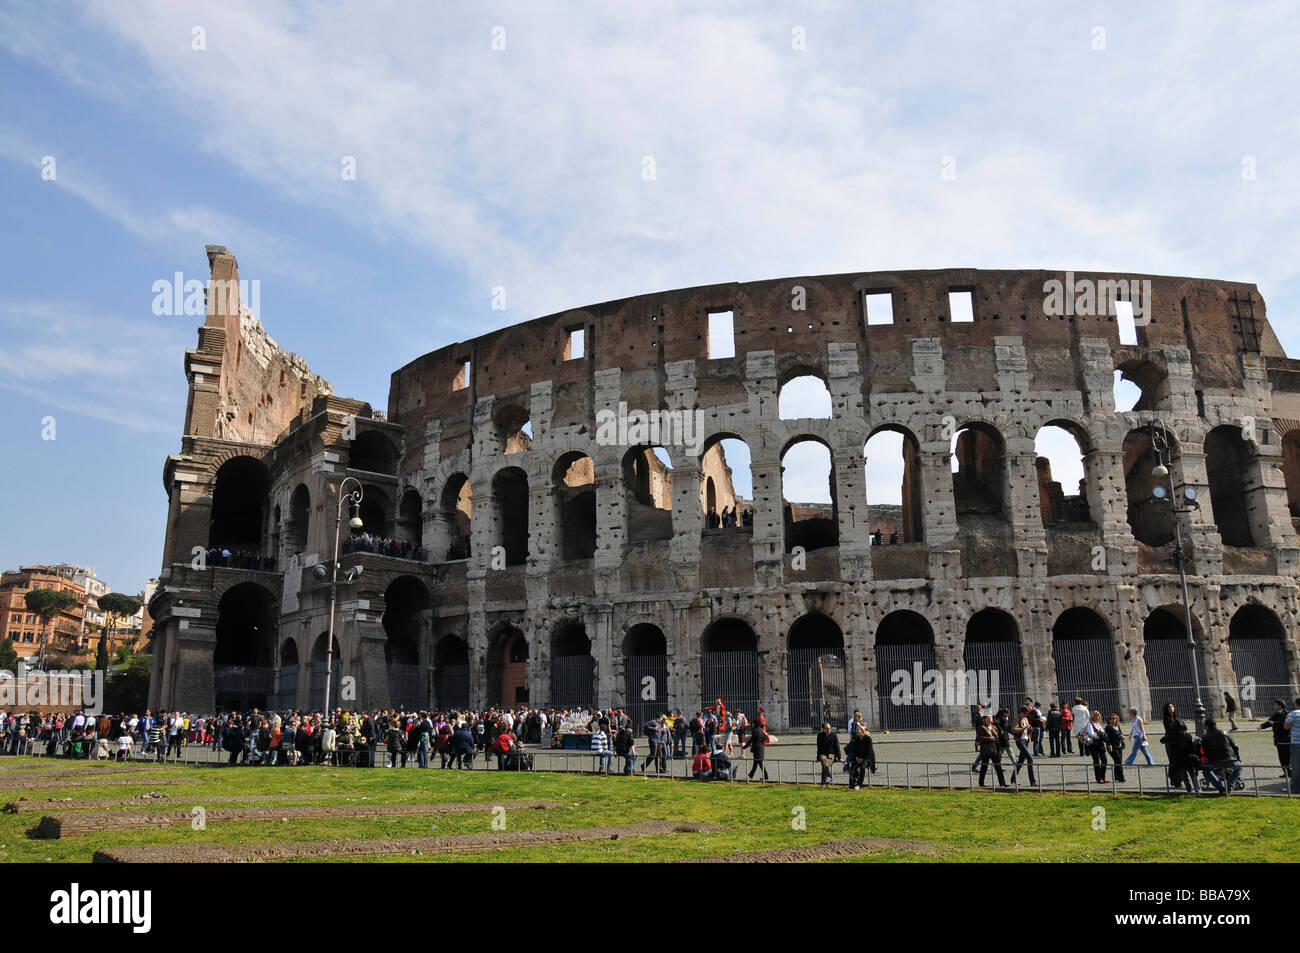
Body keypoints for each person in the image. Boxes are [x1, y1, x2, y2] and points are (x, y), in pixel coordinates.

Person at [1198, 718, 1241, 795]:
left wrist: (1208, 759)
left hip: (1214, 761)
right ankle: (1229, 785)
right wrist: (1238, 759)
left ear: (1207, 726)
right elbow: (1235, 746)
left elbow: (1205, 752)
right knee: (1239, 767)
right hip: (1229, 759)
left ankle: (1219, 787)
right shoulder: (1225, 733)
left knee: (1206, 770)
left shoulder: (1205, 737)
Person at [1258, 698, 1292, 778]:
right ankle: (1286, 772)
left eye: (1276, 705)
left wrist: (1274, 723)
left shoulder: (1286, 714)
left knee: (1287, 756)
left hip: (1285, 738)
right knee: (1281, 757)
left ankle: (1290, 772)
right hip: (1278, 738)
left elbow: (1285, 724)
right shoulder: (1276, 714)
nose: (1275, 706)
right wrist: (1261, 726)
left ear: (1280, 706)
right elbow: (1269, 722)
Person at [975, 714, 1006, 788]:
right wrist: (989, 738)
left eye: (991, 717)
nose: (990, 718)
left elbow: (997, 737)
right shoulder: (982, 727)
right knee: (984, 766)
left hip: (994, 748)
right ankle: (981, 783)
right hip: (985, 748)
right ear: (985, 719)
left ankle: (1002, 783)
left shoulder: (994, 727)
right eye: (988, 717)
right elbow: (979, 738)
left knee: (998, 766)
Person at [1009, 707, 1036, 786]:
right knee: (1030, 759)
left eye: (1026, 714)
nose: (1026, 715)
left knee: (1020, 762)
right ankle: (1032, 781)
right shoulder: (1017, 719)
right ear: (1020, 712)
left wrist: (1030, 729)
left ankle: (1013, 779)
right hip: (1020, 741)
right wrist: (1024, 728)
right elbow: (1013, 729)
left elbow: (1028, 729)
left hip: (1026, 741)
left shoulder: (1025, 719)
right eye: (1024, 713)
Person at [846, 724, 875, 790]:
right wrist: (857, 757)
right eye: (856, 730)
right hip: (858, 757)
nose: (856, 731)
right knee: (852, 767)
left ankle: (859, 785)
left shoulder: (868, 739)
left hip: (867, 758)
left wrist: (863, 759)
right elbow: (855, 750)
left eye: (858, 730)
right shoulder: (856, 739)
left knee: (862, 768)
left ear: (862, 731)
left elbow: (869, 751)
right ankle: (852, 784)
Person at [815, 721, 841, 787]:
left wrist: (839, 757)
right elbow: (819, 747)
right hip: (823, 754)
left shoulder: (834, 735)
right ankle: (828, 778)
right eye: (827, 728)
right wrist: (818, 757)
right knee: (823, 761)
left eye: (830, 728)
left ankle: (824, 783)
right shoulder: (820, 735)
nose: (829, 730)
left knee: (825, 765)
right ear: (823, 729)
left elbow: (837, 747)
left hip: (831, 754)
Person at [1103, 713, 1126, 783]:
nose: (1112, 720)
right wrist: (1109, 745)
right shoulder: (1108, 727)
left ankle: (1117, 777)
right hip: (1112, 746)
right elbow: (1107, 738)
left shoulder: (1117, 726)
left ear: (1116, 719)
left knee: (1118, 762)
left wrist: (1122, 741)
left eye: (1114, 718)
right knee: (1118, 761)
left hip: (1119, 746)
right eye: (1111, 719)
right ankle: (1121, 777)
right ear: (1109, 720)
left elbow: (1120, 734)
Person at [1284, 698, 1300, 796]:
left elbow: (1286, 726)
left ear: (1296, 704)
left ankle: (1294, 788)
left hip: (1296, 743)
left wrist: (1287, 717)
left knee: (1296, 766)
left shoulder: (1294, 713)